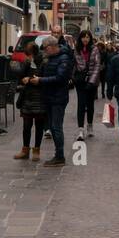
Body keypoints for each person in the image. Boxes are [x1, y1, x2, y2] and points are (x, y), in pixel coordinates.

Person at [28, 36, 72, 167]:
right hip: (50, 97)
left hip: (58, 98)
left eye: (46, 49)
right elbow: (46, 73)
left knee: (56, 127)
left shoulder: (64, 59)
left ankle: (60, 156)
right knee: (53, 127)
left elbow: (60, 78)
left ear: (53, 47)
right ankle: (58, 155)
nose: (45, 52)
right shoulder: (50, 58)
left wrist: (41, 80)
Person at [14, 37, 47, 162]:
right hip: (27, 97)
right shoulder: (27, 62)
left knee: (39, 126)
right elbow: (20, 76)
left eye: (28, 55)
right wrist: (23, 78)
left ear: (33, 53)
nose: (27, 57)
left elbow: (43, 77)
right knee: (26, 125)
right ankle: (25, 150)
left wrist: (32, 79)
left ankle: (37, 150)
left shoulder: (42, 62)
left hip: (39, 98)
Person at [74, 30, 101, 141]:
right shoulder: (76, 50)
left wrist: (91, 81)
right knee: (81, 105)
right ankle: (80, 130)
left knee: (90, 105)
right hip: (80, 81)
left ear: (90, 39)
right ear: (80, 38)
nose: (85, 39)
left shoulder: (95, 49)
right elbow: (75, 64)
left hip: (91, 82)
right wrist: (73, 77)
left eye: (87, 37)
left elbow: (97, 66)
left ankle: (90, 126)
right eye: (83, 37)